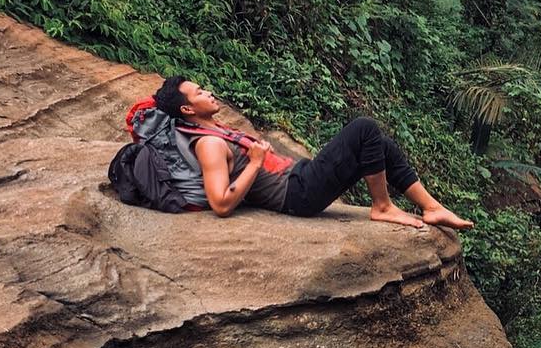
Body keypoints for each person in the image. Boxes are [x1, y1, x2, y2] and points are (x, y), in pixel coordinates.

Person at [151, 76, 473, 231]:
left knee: (380, 144)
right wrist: (255, 163)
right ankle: (382, 206)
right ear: (187, 109)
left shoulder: (214, 128)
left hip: (300, 177)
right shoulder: (207, 144)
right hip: (298, 194)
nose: (208, 92)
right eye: (199, 93)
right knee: (364, 127)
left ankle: (431, 207)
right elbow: (220, 203)